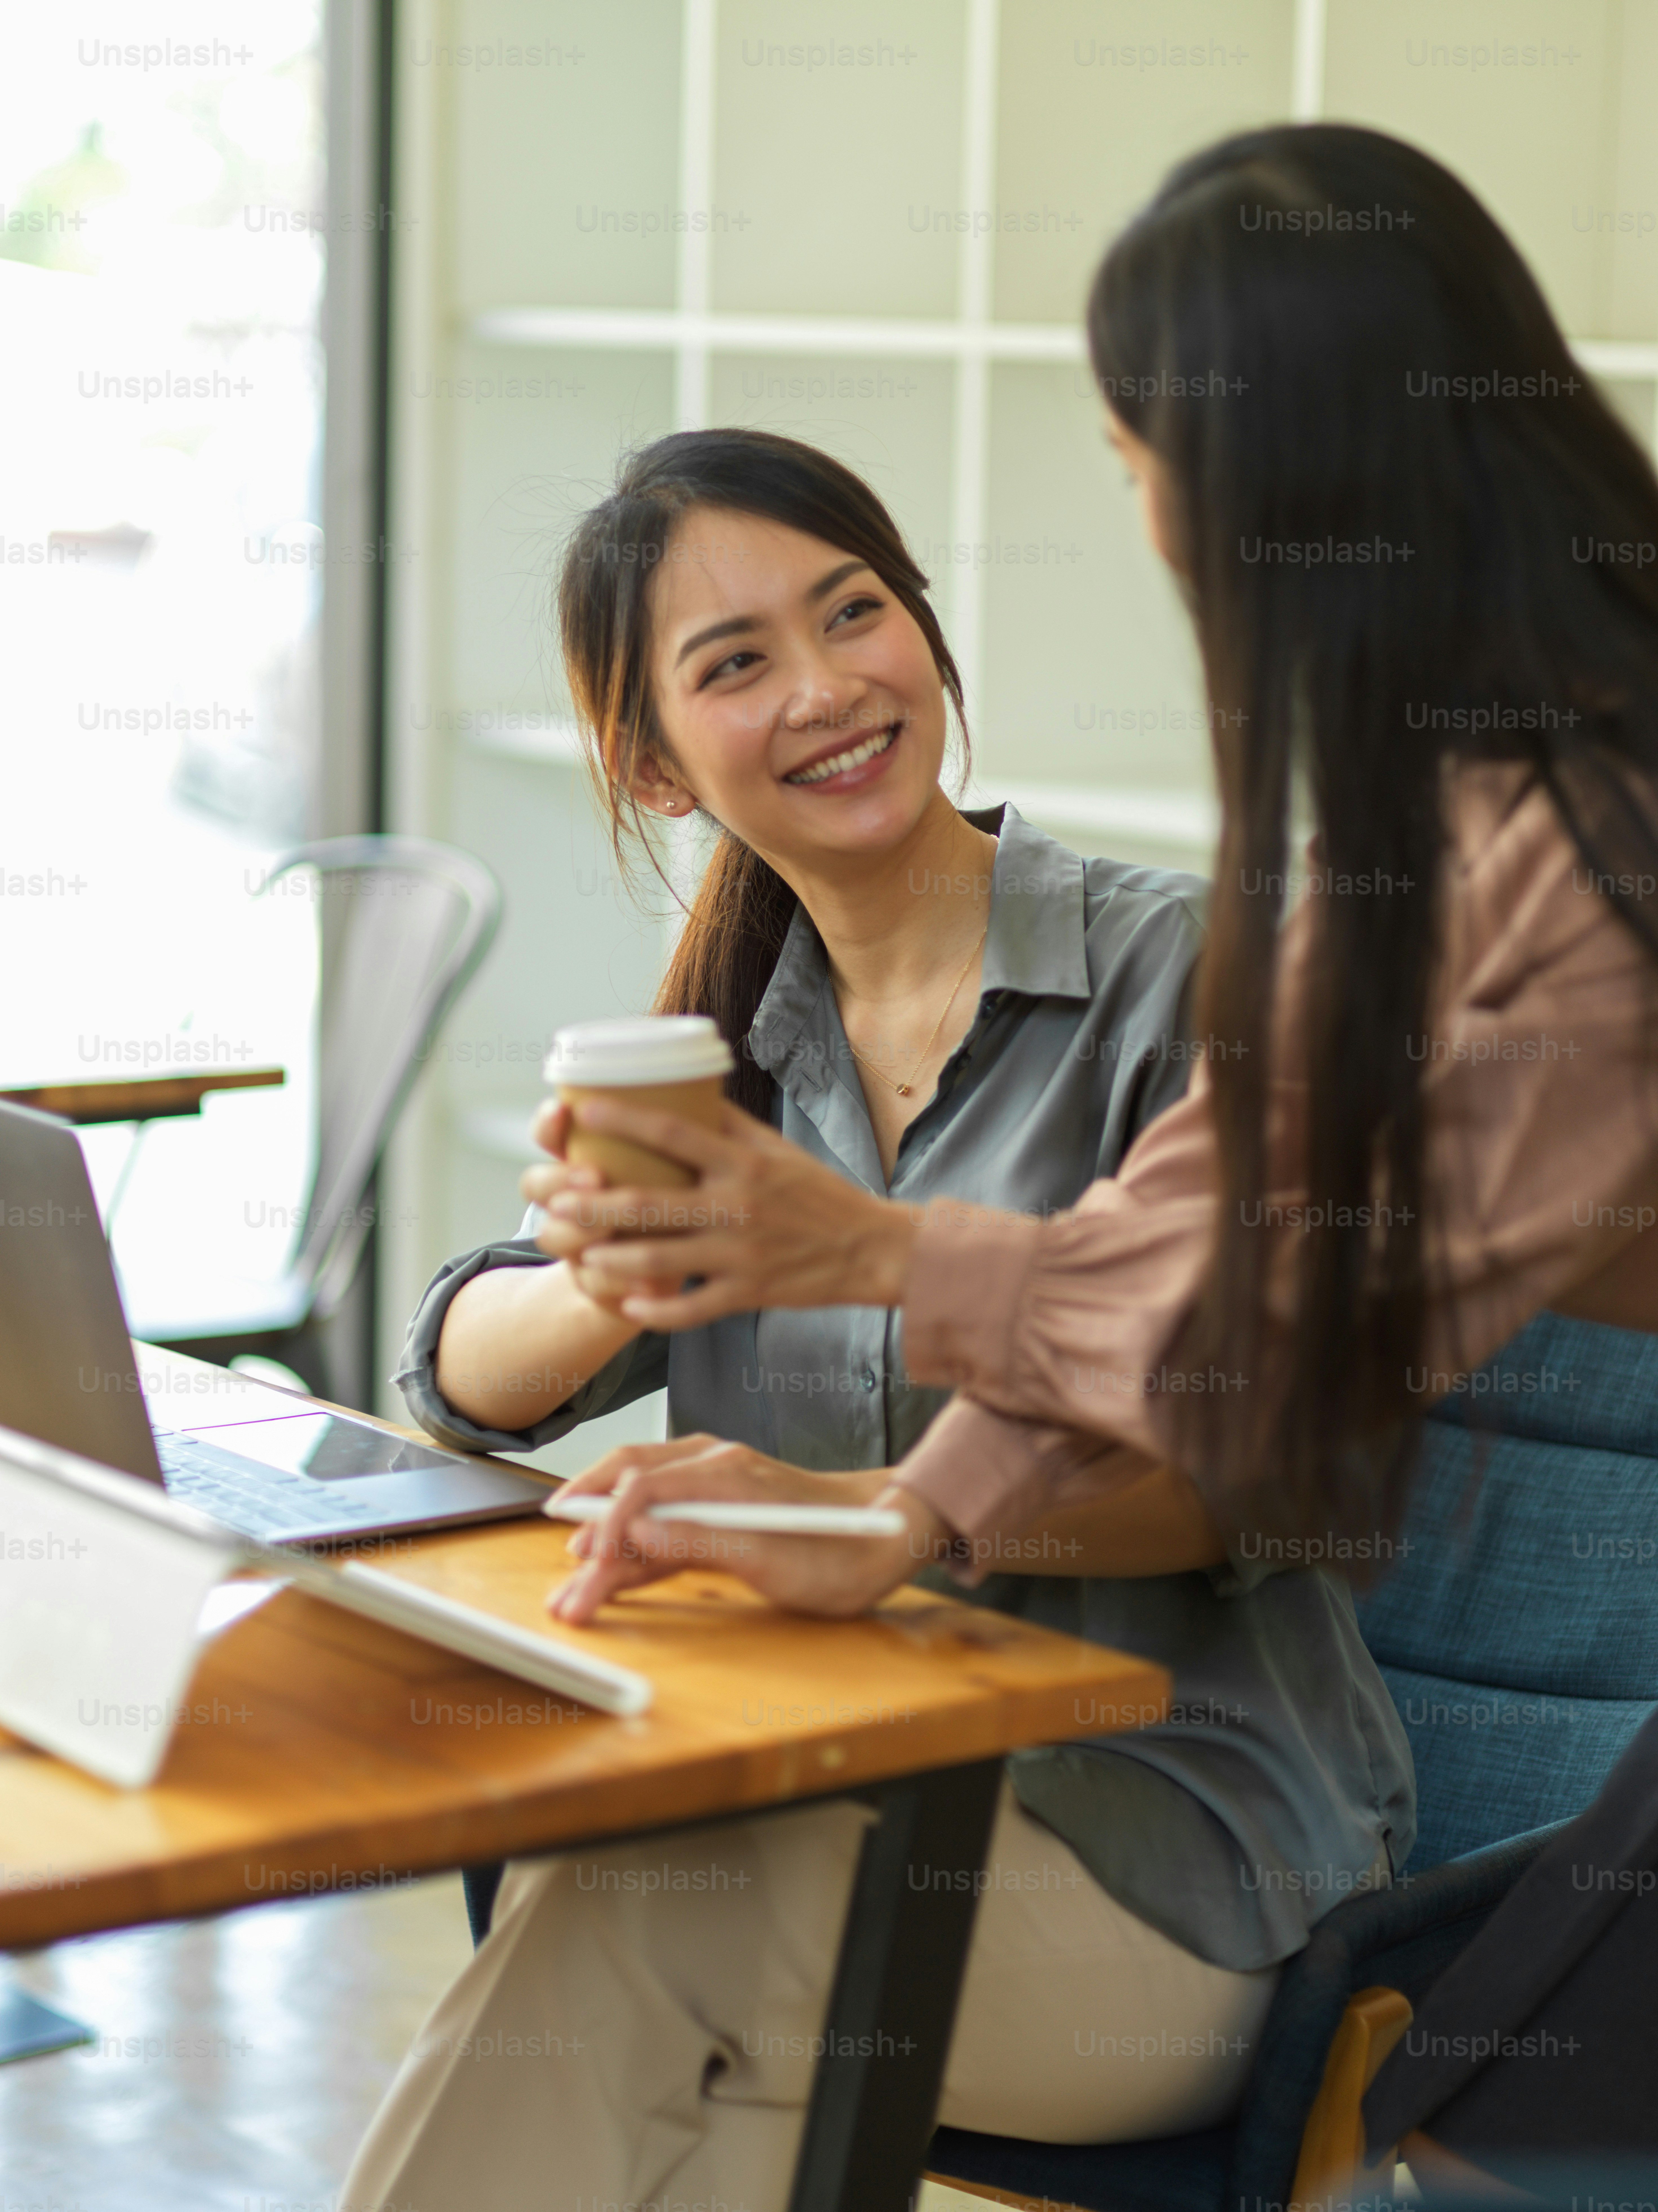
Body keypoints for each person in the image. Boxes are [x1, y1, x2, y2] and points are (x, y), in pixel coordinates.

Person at [345, 418, 1413, 2207]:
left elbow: (1248, 1467)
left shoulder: (1200, 974)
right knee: (685, 2116)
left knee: (618, 1916)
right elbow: (456, 1372)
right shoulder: (739, 1052)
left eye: (855, 614)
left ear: (923, 625)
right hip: (831, 1813)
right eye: (738, 664)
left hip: (1189, 1877)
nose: (831, 687)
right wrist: (616, 1281)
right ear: (658, 763)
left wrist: (880, 1514)